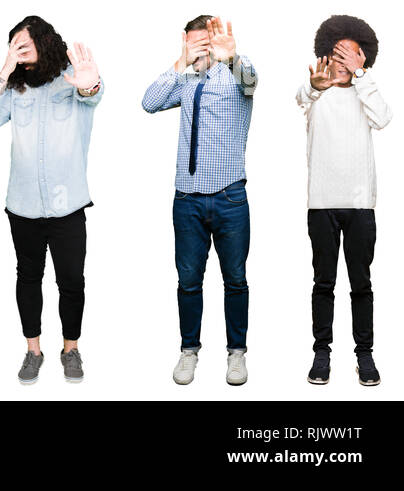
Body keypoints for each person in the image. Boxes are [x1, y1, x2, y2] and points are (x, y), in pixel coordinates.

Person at [0, 16, 102, 385]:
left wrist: (89, 84)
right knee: (28, 279)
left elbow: (92, 90)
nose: (18, 52)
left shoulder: (71, 75)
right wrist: (4, 69)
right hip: (24, 207)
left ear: (43, 42)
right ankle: (33, 351)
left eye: (23, 45)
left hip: (68, 207)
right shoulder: (14, 87)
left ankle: (71, 348)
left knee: (72, 282)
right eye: (12, 47)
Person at [142, 15, 257, 386]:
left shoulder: (236, 76)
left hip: (229, 198)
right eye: (195, 44)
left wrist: (231, 56)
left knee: (235, 279)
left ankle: (236, 353)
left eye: (206, 43)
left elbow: (252, 82)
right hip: (187, 199)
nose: (201, 51)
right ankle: (189, 350)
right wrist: (180, 62)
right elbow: (149, 102)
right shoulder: (186, 79)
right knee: (189, 280)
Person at [297, 15, 391, 386]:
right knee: (324, 283)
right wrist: (313, 84)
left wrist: (363, 77)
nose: (343, 62)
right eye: (338, 54)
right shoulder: (316, 92)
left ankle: (364, 355)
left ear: (363, 60)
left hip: (360, 206)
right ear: (326, 55)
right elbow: (301, 96)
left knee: (361, 284)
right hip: (321, 205)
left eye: (351, 57)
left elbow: (384, 118)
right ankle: (322, 353)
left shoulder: (366, 93)